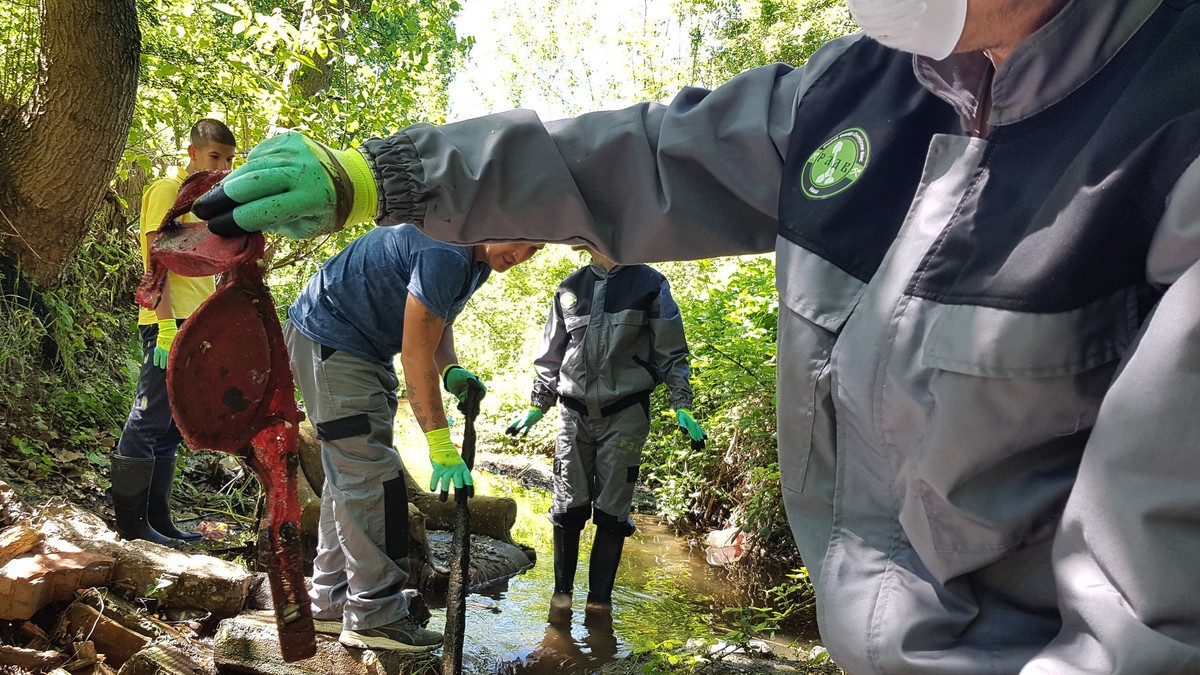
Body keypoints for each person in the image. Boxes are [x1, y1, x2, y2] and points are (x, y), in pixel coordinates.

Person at [193, 0, 1200, 671]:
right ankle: (392, 606)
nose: (514, 263)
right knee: (451, 492)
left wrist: (669, 407)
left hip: (633, 430)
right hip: (403, 367)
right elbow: (636, 156)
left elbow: (1148, 612)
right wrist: (390, 176)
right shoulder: (866, 90)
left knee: (593, 521)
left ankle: (571, 619)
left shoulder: (1168, 134)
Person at [283, 223, 543, 652]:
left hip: (352, 347)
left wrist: (451, 369)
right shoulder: (447, 252)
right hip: (333, 342)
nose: (523, 256)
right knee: (374, 479)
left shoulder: (473, 261)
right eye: (523, 240)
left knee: (351, 473)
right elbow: (415, 353)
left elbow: (432, 325)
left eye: (535, 248)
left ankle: (330, 601)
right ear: (496, 218)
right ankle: (374, 615)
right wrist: (439, 443)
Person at [505, 245, 705, 622]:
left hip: (625, 413)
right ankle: (560, 601)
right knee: (567, 508)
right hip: (572, 414)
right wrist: (537, 405)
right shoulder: (569, 288)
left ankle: (599, 605)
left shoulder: (650, 284)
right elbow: (550, 356)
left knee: (612, 513)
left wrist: (683, 404)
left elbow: (672, 353)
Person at [112, 118, 236, 546]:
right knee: (149, 417)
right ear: (193, 154)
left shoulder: (207, 205)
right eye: (214, 156)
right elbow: (156, 262)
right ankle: (130, 525)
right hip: (168, 322)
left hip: (197, 322)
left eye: (228, 160)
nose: (221, 165)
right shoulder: (168, 191)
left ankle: (158, 522)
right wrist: (164, 325)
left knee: (170, 426)